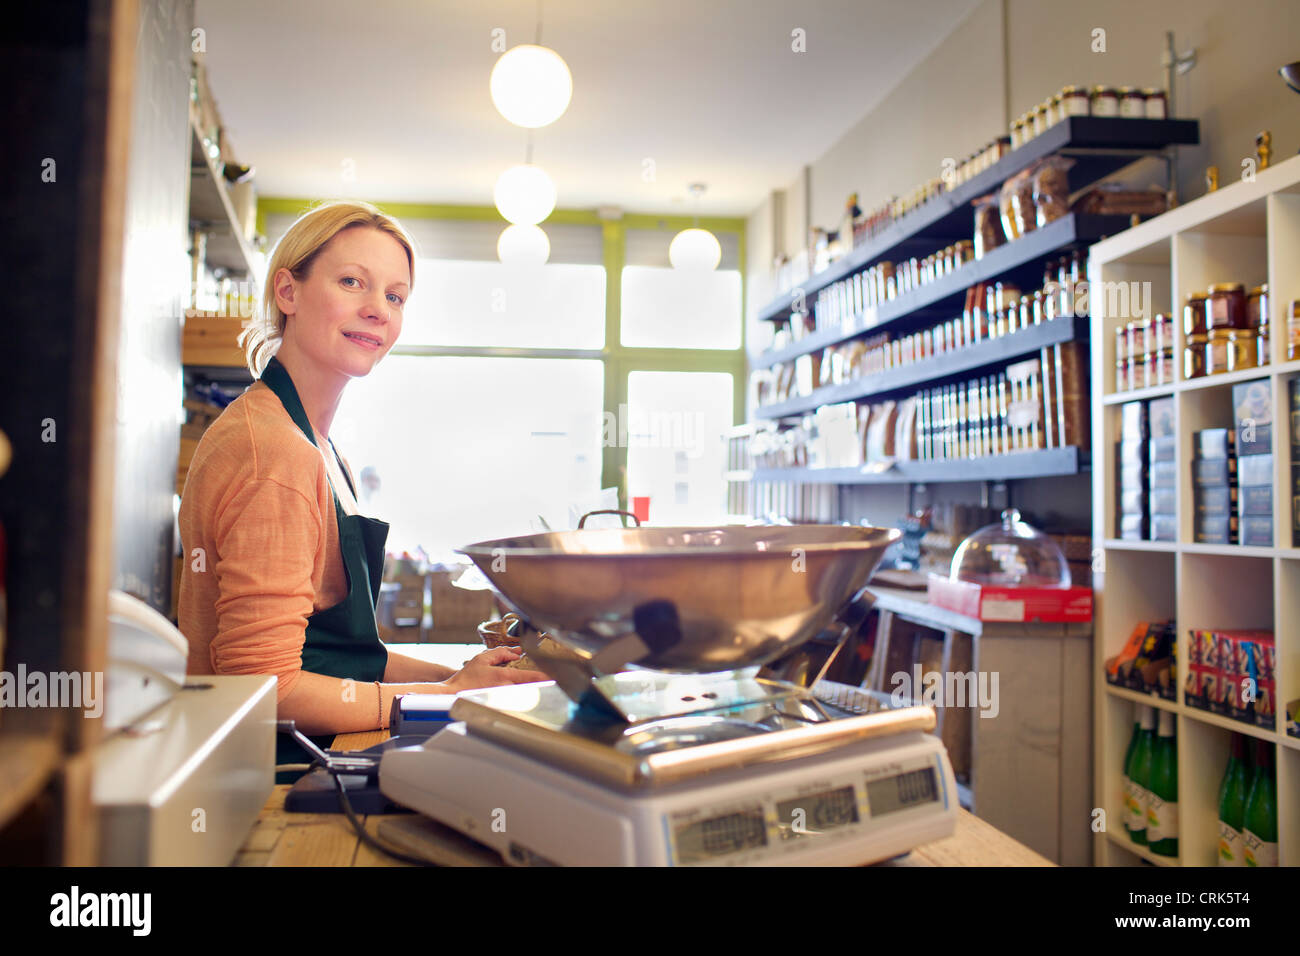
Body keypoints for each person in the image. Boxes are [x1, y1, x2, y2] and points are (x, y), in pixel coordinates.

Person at [177, 200, 545, 776]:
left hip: (298, 755)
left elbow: (338, 656)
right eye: (353, 282)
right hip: (265, 777)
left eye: (395, 297)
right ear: (288, 293)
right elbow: (263, 688)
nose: (378, 310)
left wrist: (452, 677)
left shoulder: (320, 447)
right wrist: (446, 695)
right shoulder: (275, 451)